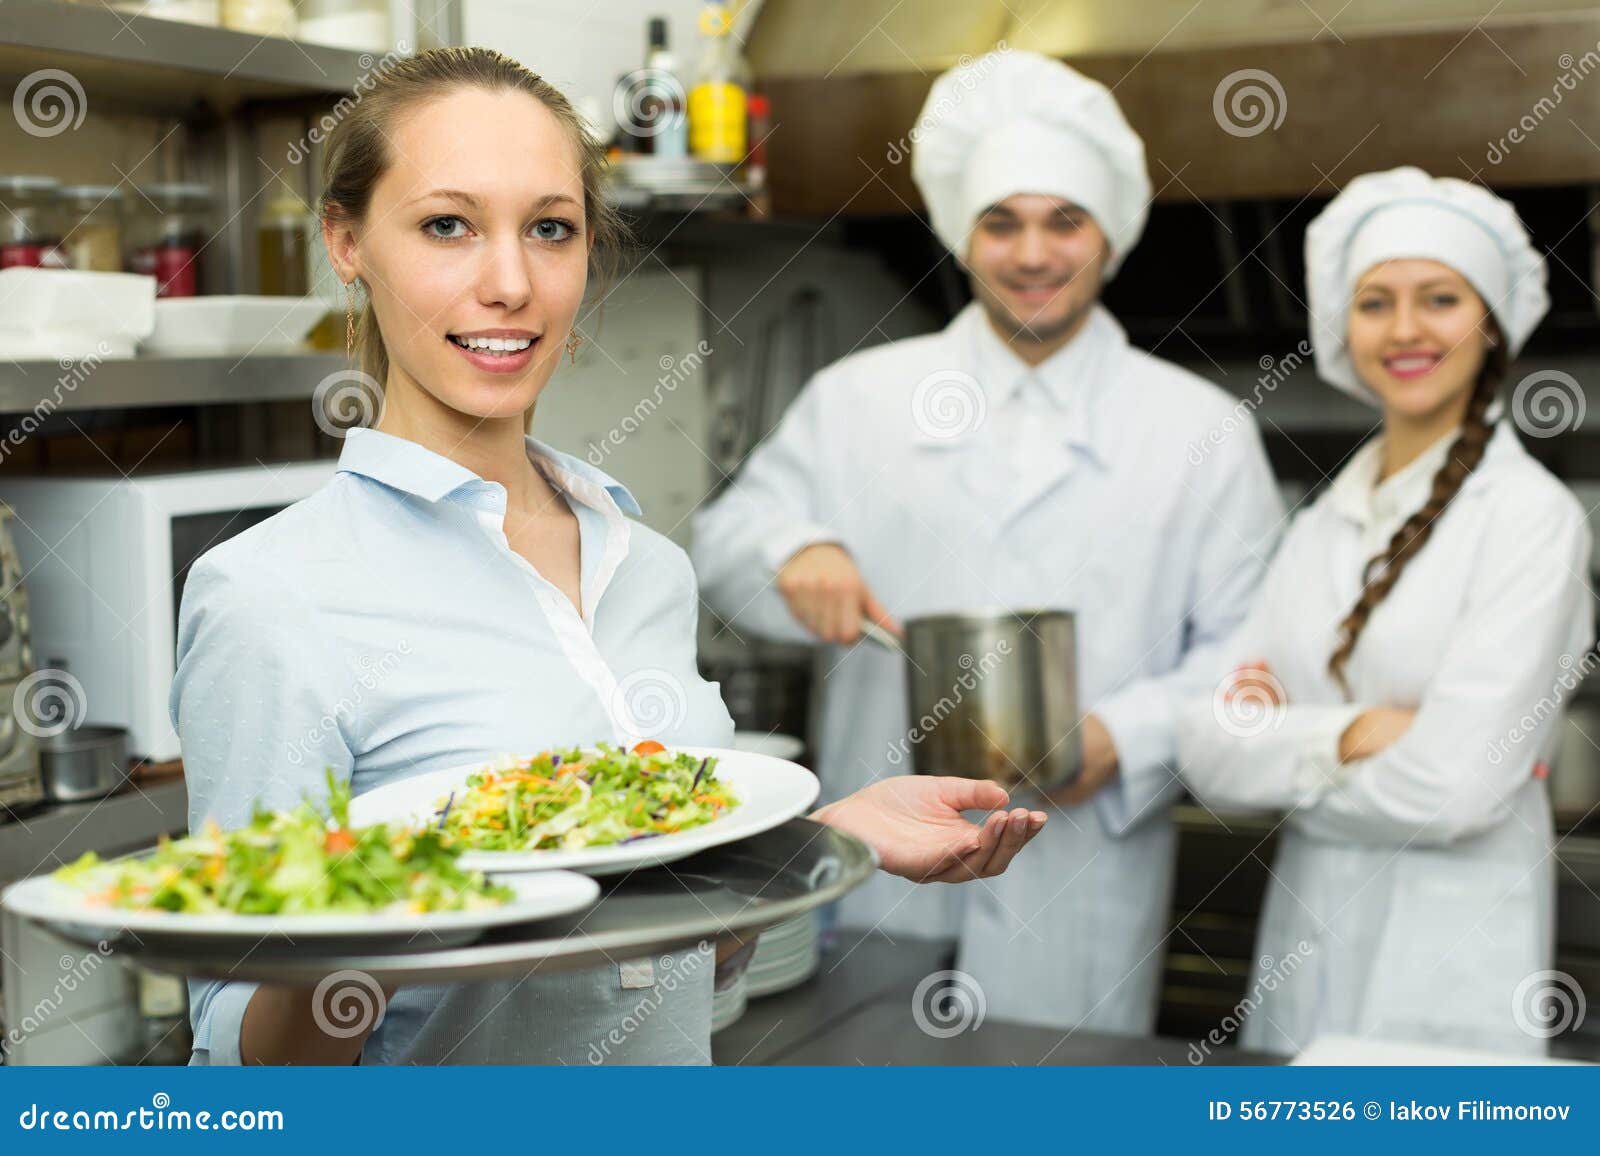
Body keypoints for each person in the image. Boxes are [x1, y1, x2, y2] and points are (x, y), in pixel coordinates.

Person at [172, 46, 1046, 1067]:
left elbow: (668, 953)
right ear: (346, 240)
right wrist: (388, 915)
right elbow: (242, 1066)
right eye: (446, 225)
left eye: (550, 228)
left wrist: (829, 833)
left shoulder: (643, 565)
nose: (509, 283)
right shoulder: (273, 595)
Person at [690, 50, 1282, 1033]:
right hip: (881, 876)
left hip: (1083, 870)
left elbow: (1252, 659)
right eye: (1001, 222)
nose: (1033, 253)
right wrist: (792, 555)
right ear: (962, 238)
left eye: (1064, 221)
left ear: (1111, 237)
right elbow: (723, 543)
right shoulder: (859, 400)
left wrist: (1122, 737)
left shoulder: (1200, 430)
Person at [1177, 166, 1593, 1056]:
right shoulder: (1325, 520)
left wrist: (1288, 741)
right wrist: (1361, 732)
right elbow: (1208, 746)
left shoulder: (1529, 519)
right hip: (1307, 938)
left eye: (1439, 298)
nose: (1405, 329)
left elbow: (1455, 790)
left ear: (1490, 324)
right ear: (1343, 328)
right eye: (1375, 302)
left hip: (1448, 961)